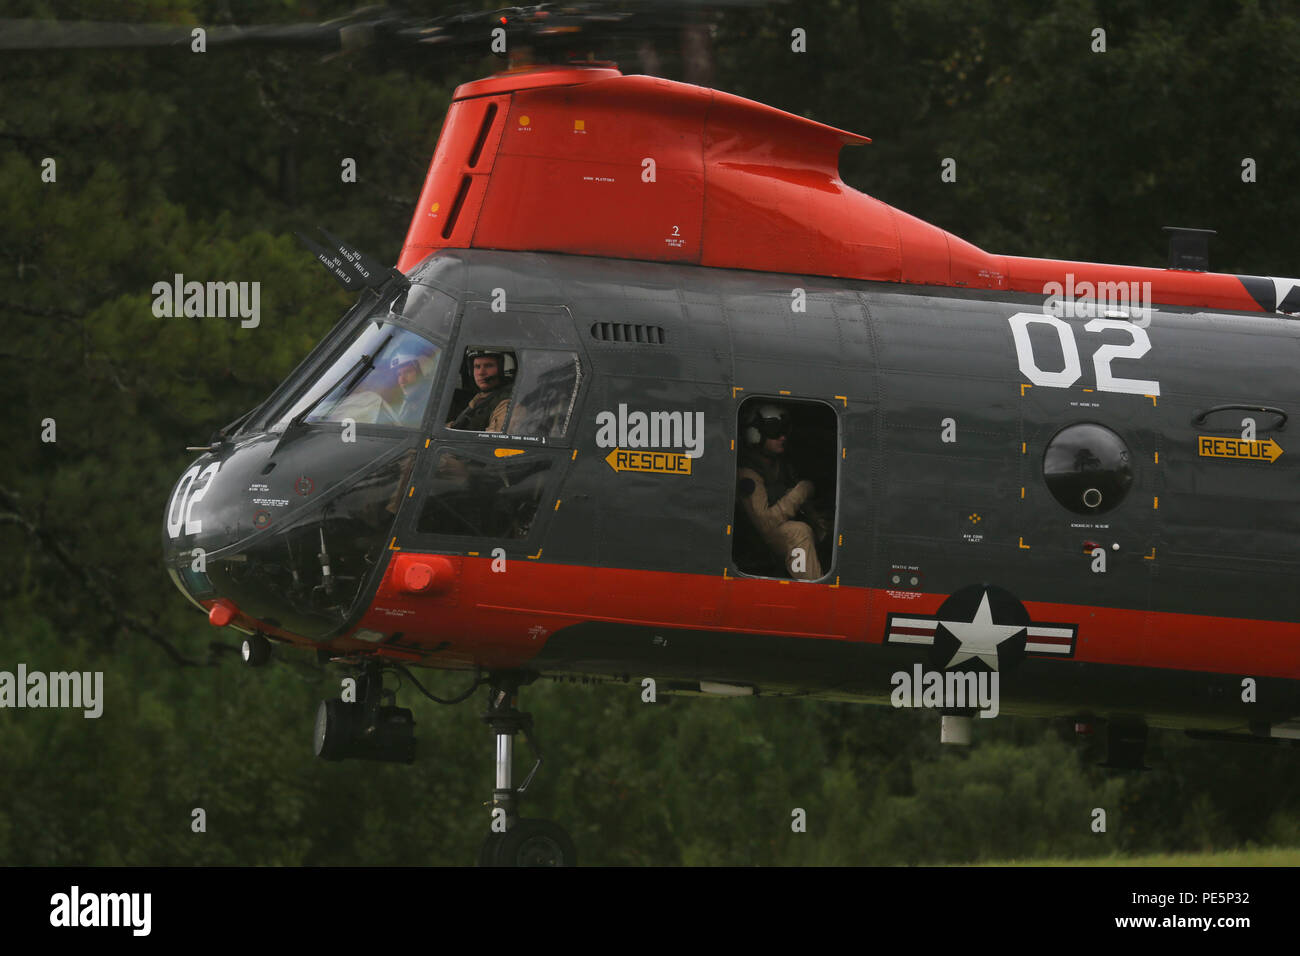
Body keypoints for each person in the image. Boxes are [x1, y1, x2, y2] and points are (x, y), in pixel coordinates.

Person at [735, 403, 830, 581]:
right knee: (798, 531)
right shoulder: (748, 474)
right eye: (774, 431)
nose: (782, 437)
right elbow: (764, 525)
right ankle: (812, 592)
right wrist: (800, 492)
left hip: (774, 538)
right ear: (757, 434)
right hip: (755, 543)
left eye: (785, 430)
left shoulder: (781, 466)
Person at [448, 349, 513, 433]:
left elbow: (493, 439)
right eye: (477, 367)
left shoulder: (506, 403)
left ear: (502, 369)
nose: (481, 372)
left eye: (489, 366)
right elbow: (458, 425)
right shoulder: (481, 397)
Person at [386, 352, 433, 426]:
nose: (402, 380)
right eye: (399, 374)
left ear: (422, 373)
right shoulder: (408, 402)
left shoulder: (434, 402)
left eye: (407, 372)